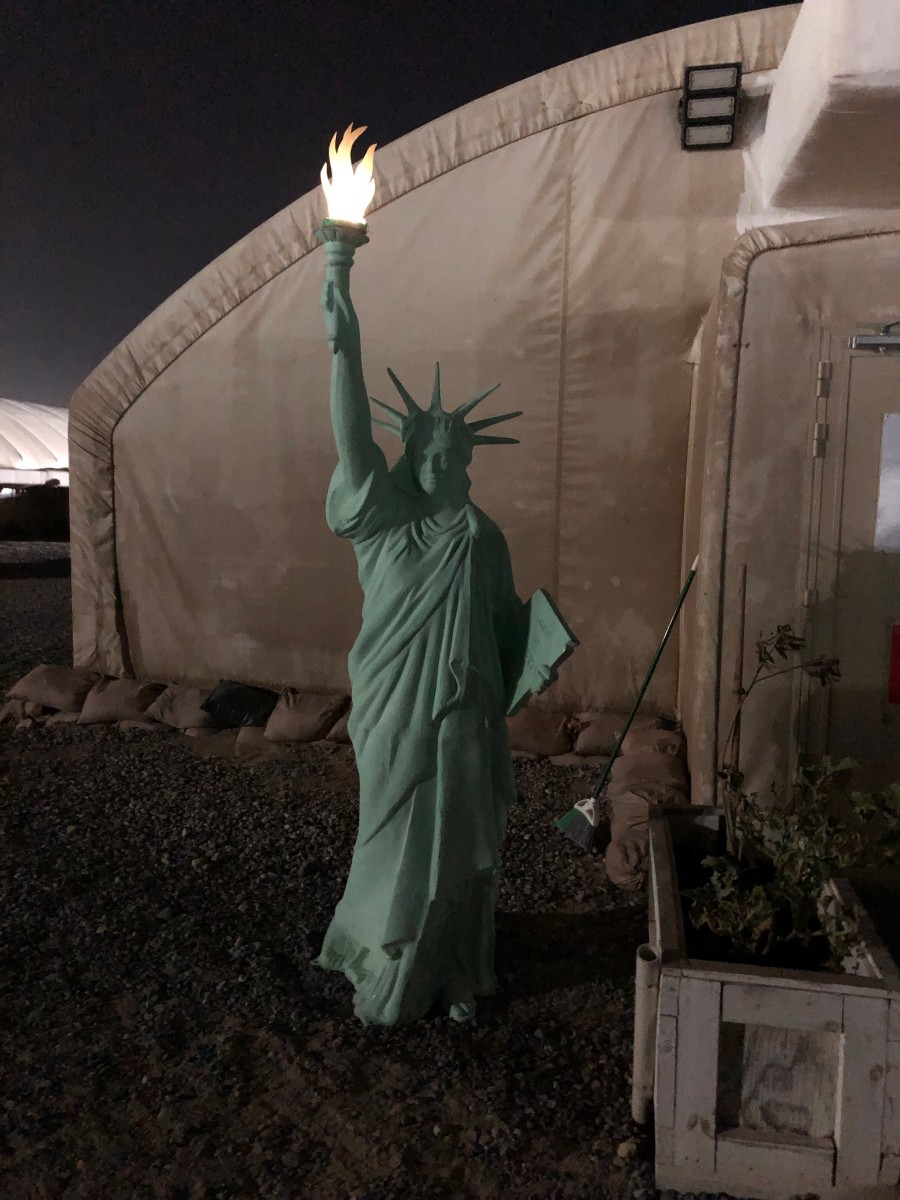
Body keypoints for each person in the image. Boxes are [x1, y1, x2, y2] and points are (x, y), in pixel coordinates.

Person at [314, 266, 529, 1025]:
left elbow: (505, 625)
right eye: (434, 458)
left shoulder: (482, 536)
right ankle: (382, 949)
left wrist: (531, 662)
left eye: (459, 459)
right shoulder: (384, 521)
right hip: (394, 703)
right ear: (411, 461)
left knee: (463, 836)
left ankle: (458, 965)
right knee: (392, 828)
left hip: (465, 705)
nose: (449, 468)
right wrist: (346, 341)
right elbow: (351, 439)